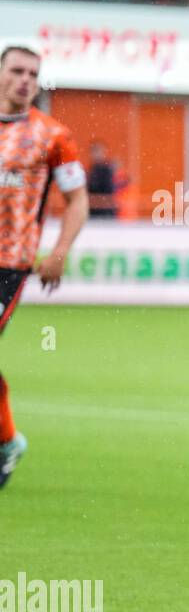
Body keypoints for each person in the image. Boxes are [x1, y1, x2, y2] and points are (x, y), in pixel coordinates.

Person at [0, 45, 89, 490]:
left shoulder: (53, 136)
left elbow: (78, 201)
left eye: (33, 74)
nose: (25, 80)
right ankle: (7, 441)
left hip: (8, 263)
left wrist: (59, 252)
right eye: (17, 70)